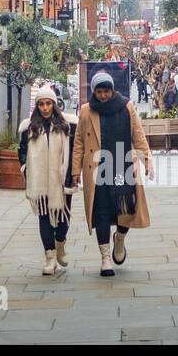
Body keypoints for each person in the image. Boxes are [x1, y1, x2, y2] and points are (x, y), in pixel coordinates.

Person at [72, 71, 154, 277]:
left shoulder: (126, 106)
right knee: (100, 212)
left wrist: (147, 160)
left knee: (125, 210)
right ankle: (105, 259)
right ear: (94, 92)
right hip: (97, 169)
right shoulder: (86, 110)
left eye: (106, 91)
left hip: (121, 166)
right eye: (99, 92)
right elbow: (79, 143)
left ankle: (120, 238)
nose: (103, 96)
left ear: (112, 90)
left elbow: (138, 134)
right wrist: (74, 171)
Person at [19, 85, 77, 275]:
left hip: (61, 180)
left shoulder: (67, 125)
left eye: (48, 103)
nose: (45, 108)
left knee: (63, 221)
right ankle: (50, 258)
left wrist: (73, 174)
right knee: (44, 217)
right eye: (41, 104)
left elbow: (74, 151)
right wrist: (25, 168)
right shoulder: (29, 127)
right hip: (40, 182)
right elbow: (22, 151)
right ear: (37, 106)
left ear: (54, 104)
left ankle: (60, 244)